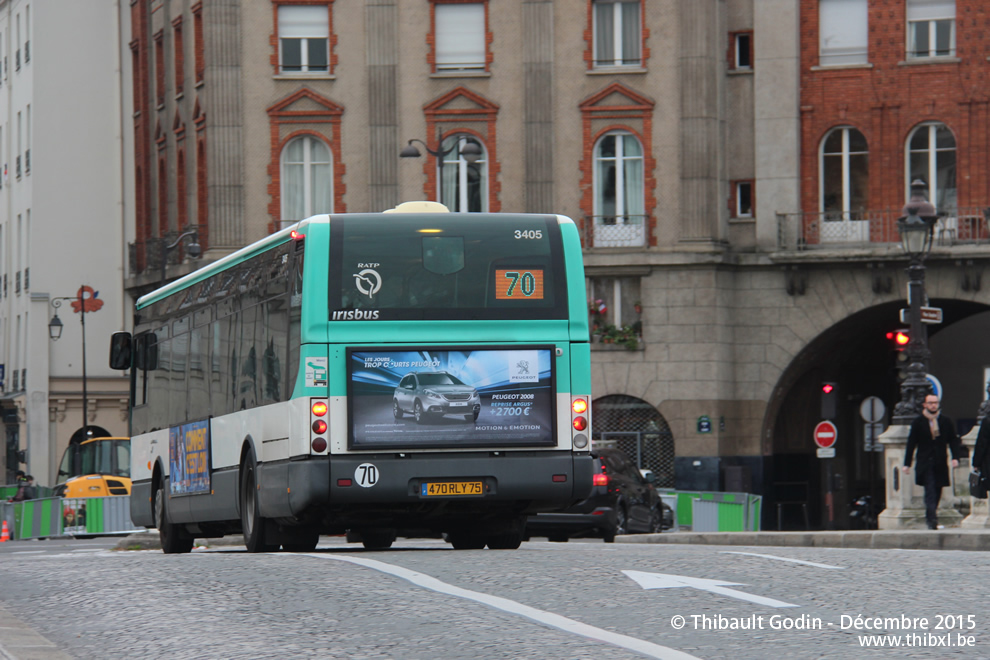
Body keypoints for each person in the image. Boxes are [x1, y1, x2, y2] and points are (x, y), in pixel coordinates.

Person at [902, 393, 964, 529]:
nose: (933, 405)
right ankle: (932, 520)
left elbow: (953, 440)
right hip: (925, 462)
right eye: (930, 403)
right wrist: (907, 463)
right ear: (925, 405)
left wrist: (955, 457)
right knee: (929, 489)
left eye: (935, 402)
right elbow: (911, 443)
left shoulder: (945, 421)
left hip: (940, 461)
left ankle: (931, 514)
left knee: (938, 489)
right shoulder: (918, 422)